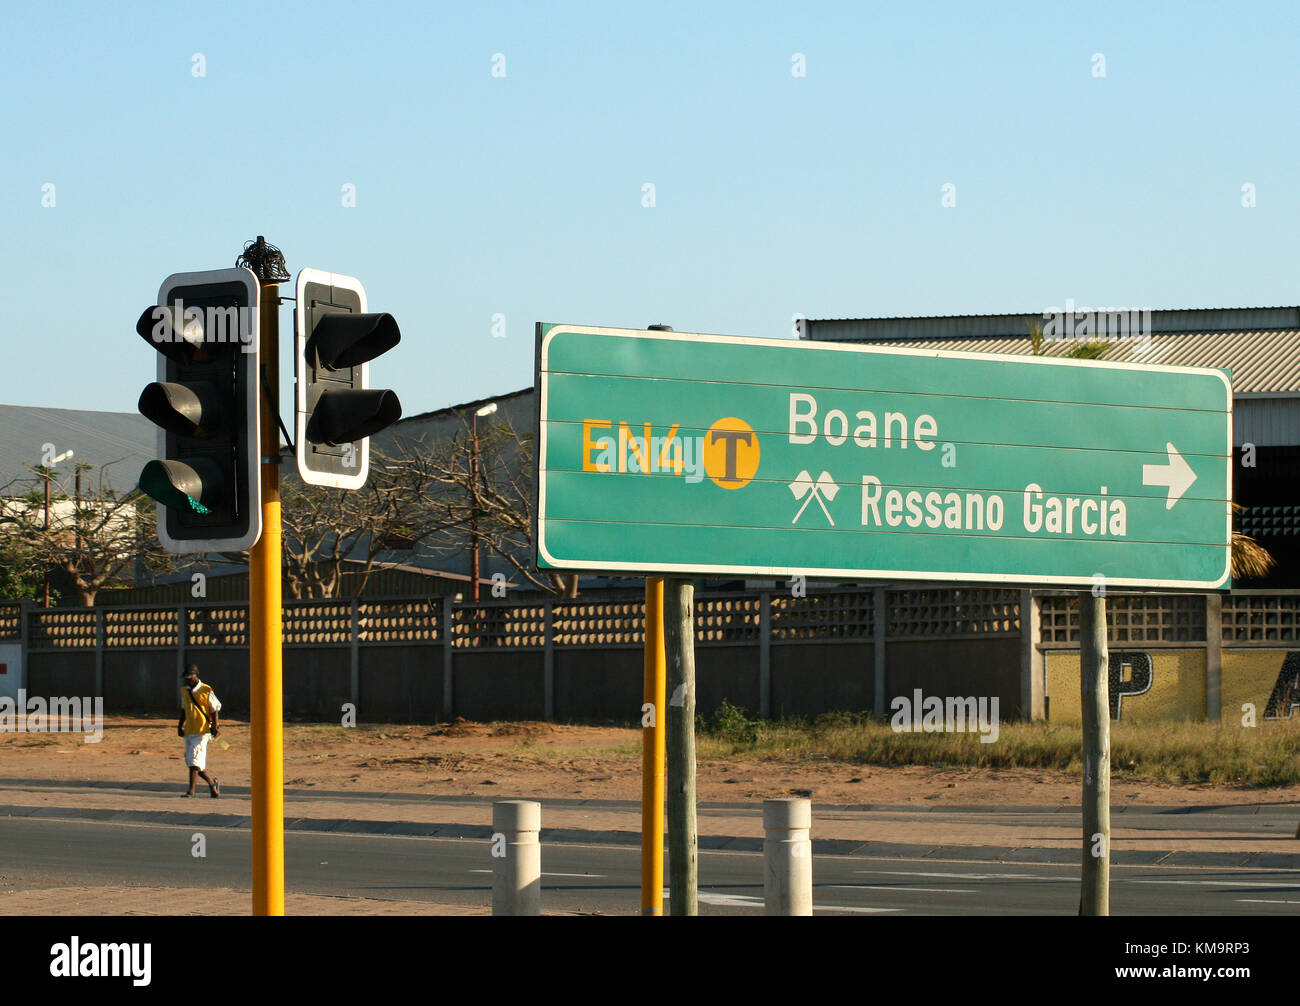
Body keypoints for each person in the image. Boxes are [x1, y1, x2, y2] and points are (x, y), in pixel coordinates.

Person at [178, 663, 221, 798]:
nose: (187, 680)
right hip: (190, 730)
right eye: (186, 678)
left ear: (196, 676)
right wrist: (180, 725)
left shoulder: (206, 690)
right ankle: (212, 784)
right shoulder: (184, 691)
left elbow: (214, 709)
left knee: (195, 761)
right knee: (193, 761)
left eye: (190, 677)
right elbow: (184, 710)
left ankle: (191, 790)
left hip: (203, 730)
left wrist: (215, 725)